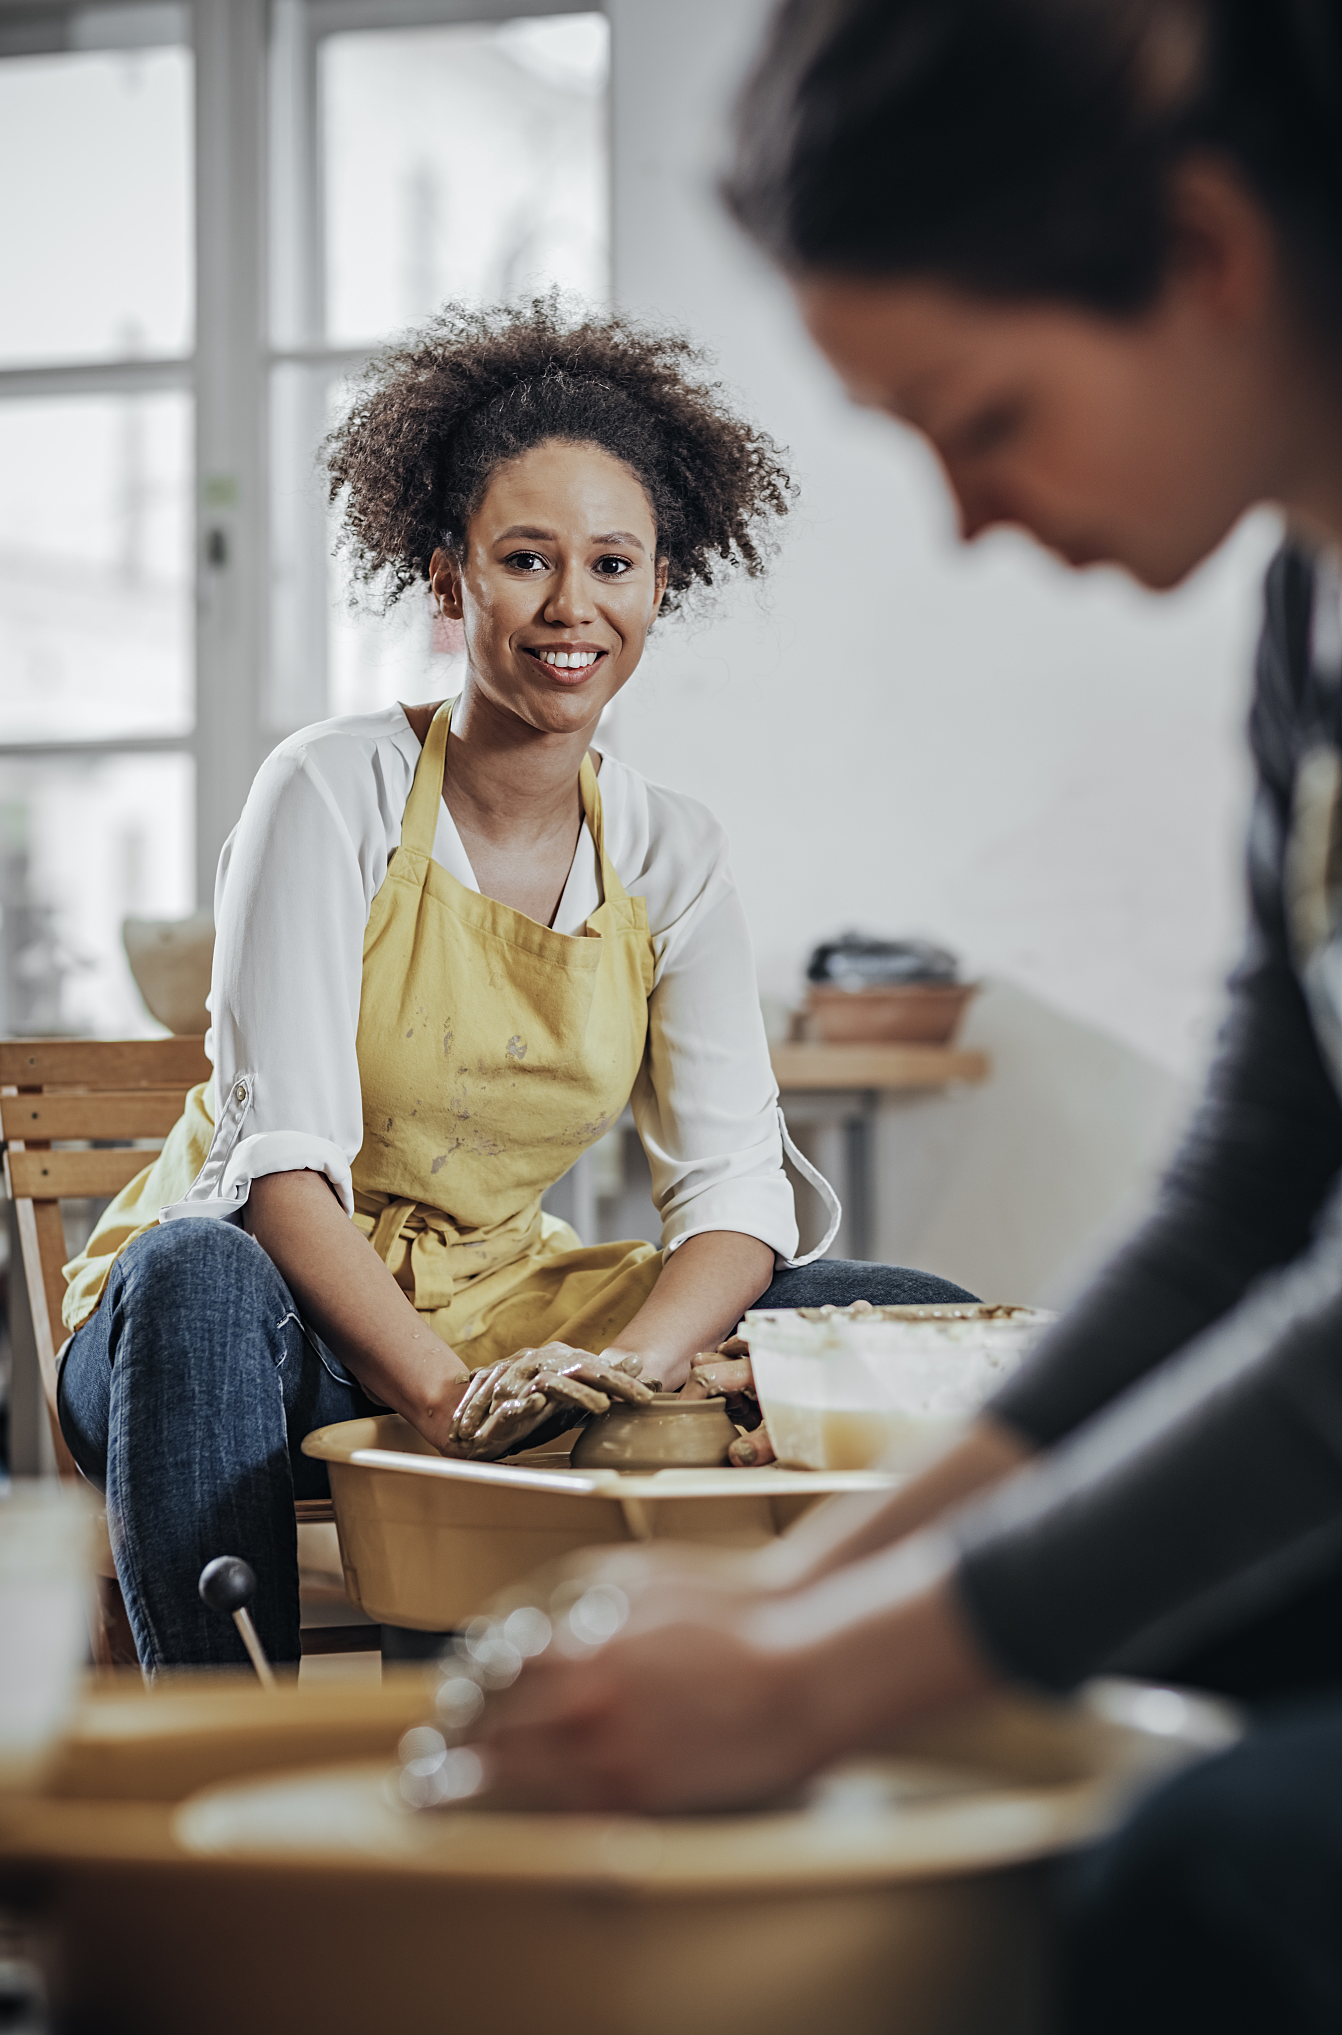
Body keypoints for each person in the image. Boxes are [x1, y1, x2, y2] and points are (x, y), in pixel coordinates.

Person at [464, 0, 1342, 2027]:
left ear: (1202, 260)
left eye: (983, 414)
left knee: (1197, 1875)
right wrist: (787, 1594)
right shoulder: (1311, 596)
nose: (961, 514)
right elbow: (1241, 1200)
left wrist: (825, 1670)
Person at [55, 297, 968, 1674]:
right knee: (198, 1268)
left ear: (664, 584)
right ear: (447, 580)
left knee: (911, 1320)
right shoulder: (330, 788)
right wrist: (450, 1399)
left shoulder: (671, 848)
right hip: (244, 1324)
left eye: (613, 563)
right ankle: (219, 1730)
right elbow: (280, 1172)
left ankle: (761, 1698)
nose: (571, 607)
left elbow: (733, 1198)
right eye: (524, 560)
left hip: (504, 1311)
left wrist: (629, 1378)